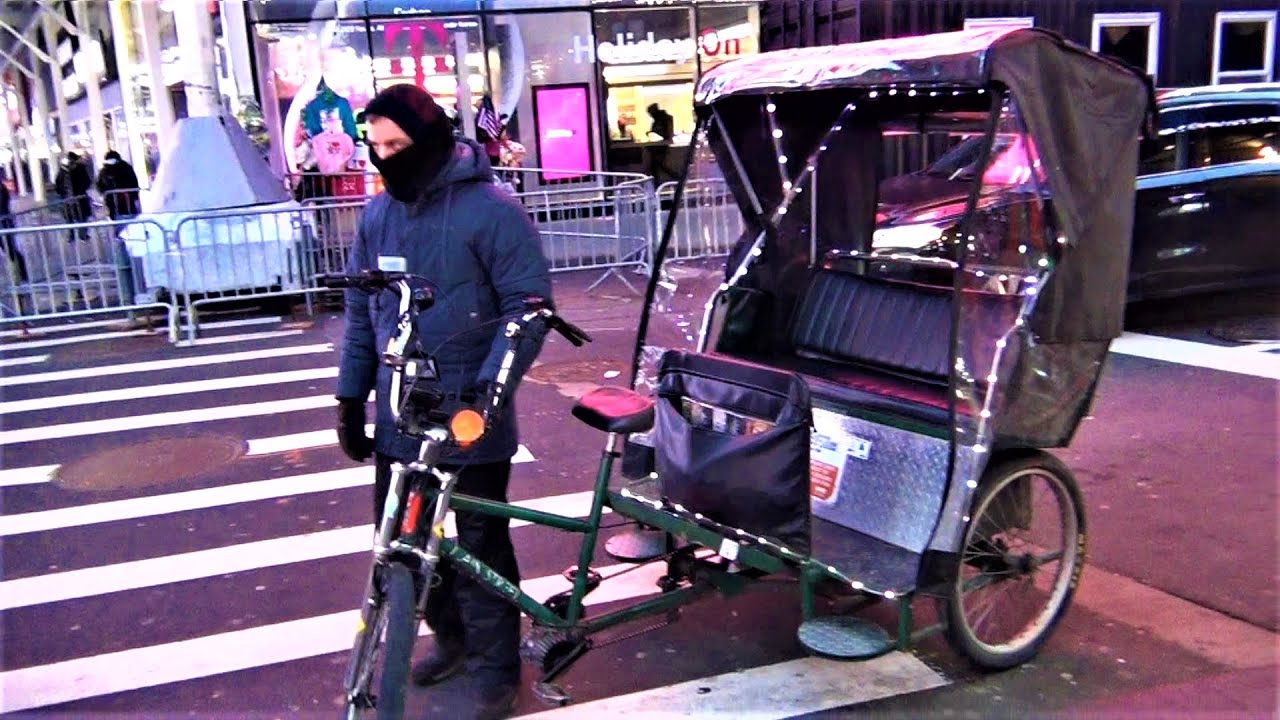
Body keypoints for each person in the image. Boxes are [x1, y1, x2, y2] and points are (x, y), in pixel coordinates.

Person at [334, 84, 552, 720]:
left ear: (428, 139)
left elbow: (529, 307)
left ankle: (496, 666)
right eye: (374, 147)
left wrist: (489, 394)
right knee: (401, 539)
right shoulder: (378, 217)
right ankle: (450, 639)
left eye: (396, 145)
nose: (383, 158)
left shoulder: (492, 209)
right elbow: (361, 312)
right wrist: (351, 396)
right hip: (400, 412)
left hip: (470, 412)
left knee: (482, 542)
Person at [54, 152, 93, 240]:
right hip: (79, 197)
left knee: (69, 218)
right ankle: (82, 235)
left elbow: (58, 184)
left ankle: (71, 236)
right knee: (81, 217)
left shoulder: (62, 170)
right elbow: (87, 182)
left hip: (67, 198)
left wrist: (62, 193)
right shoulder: (80, 168)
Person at [95, 151, 142, 220]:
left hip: (126, 199)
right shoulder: (104, 171)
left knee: (129, 216)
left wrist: (134, 195)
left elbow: (133, 182)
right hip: (112, 201)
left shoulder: (126, 168)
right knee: (116, 218)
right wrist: (104, 193)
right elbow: (99, 184)